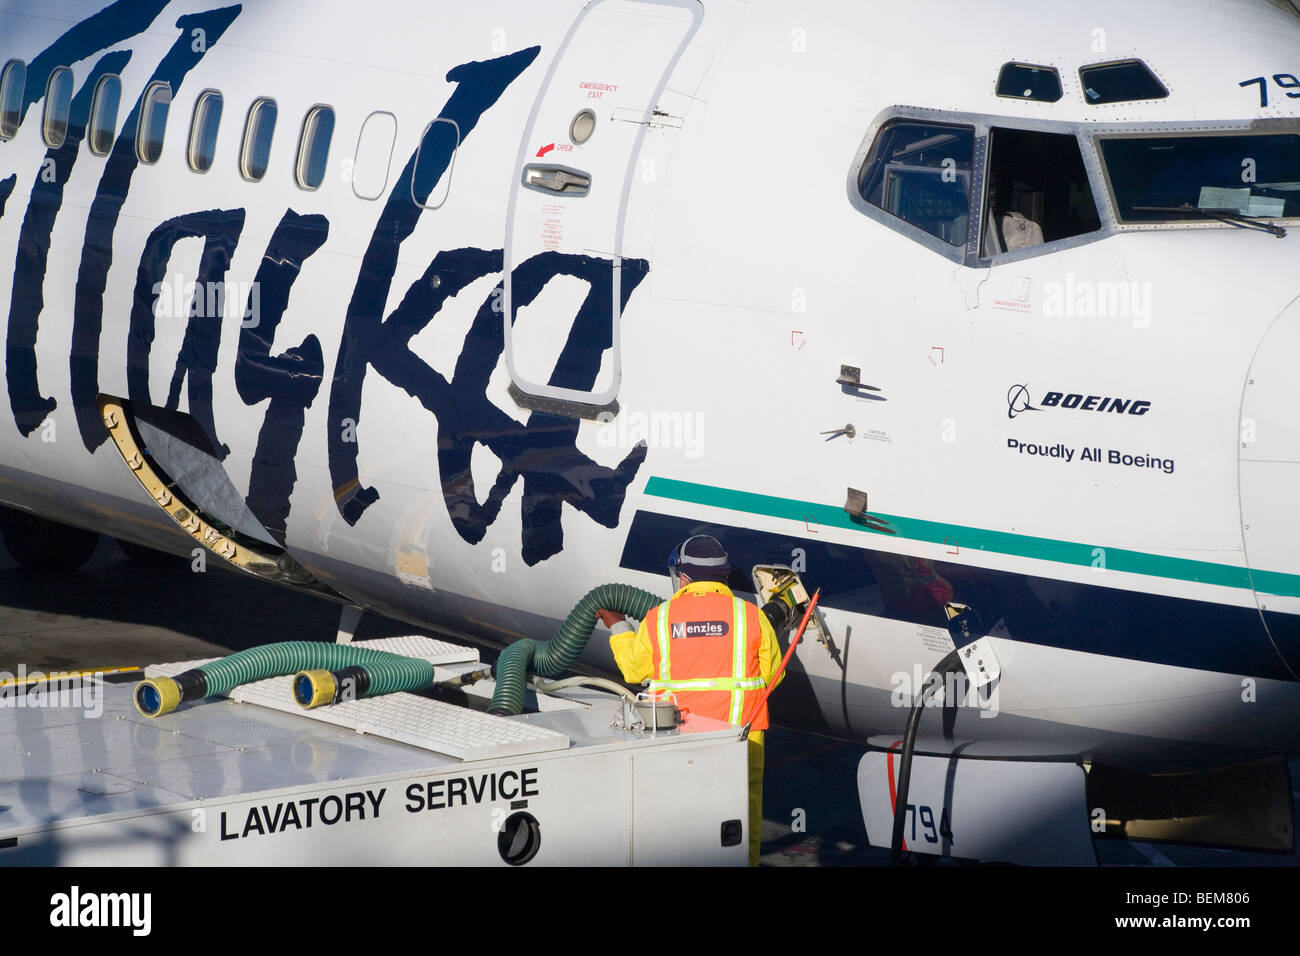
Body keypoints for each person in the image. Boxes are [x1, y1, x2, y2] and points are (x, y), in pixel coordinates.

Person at [597, 534, 803, 867]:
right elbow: (773, 676)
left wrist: (617, 624)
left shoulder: (660, 618)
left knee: (680, 821)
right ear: (723, 576)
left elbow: (634, 669)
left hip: (678, 741)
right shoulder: (752, 617)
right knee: (740, 822)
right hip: (743, 739)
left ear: (683, 577)